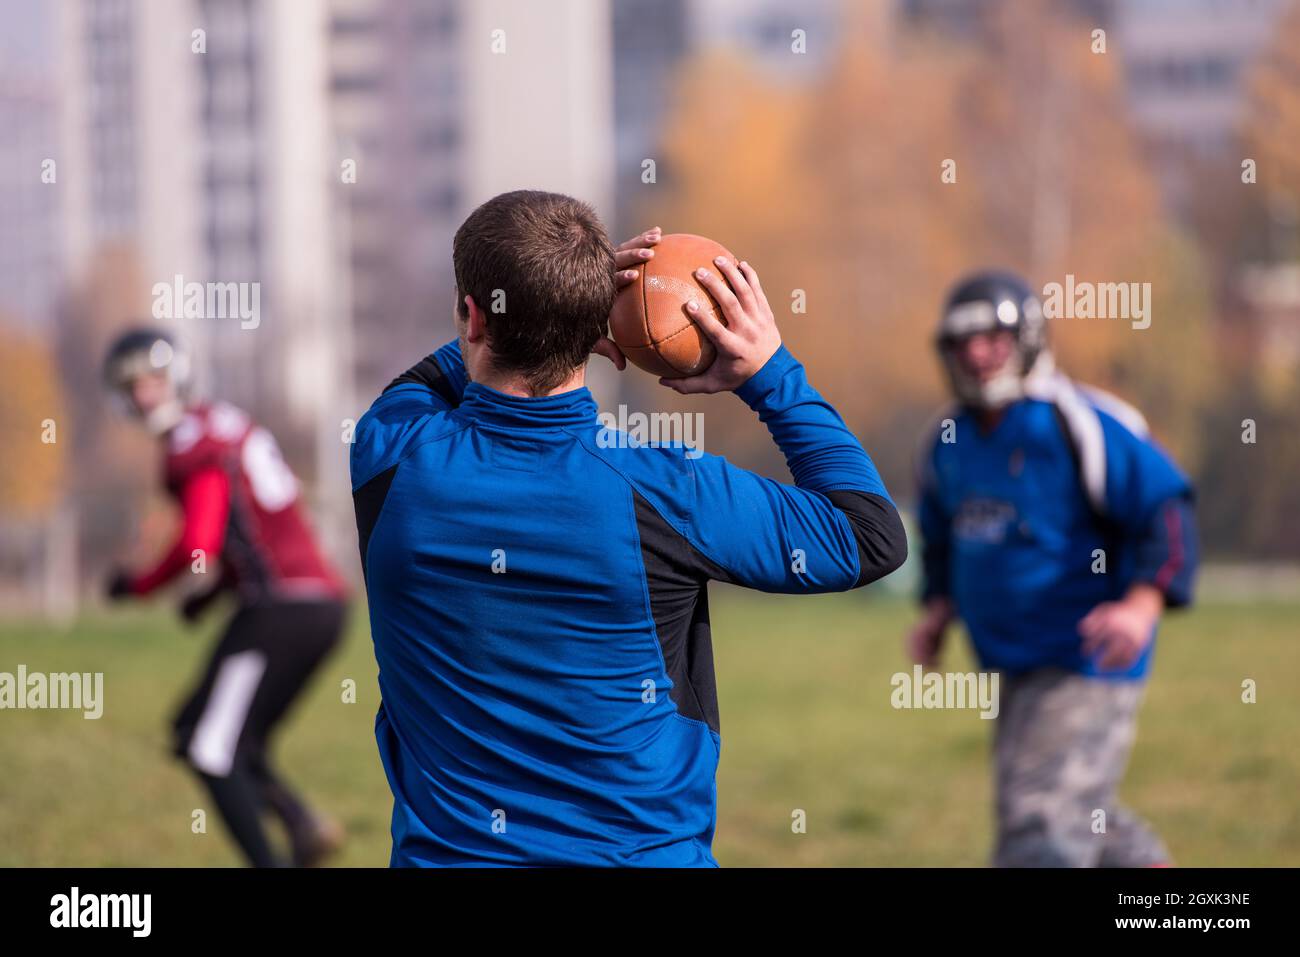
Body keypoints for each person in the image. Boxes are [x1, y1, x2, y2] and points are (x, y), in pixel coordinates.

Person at [351, 190, 907, 866]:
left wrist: (553, 302)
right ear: (596, 323)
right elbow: (870, 535)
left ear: (471, 317)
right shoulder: (666, 489)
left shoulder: (388, 454)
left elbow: (421, 381)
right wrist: (770, 375)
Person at [907, 271, 1198, 867]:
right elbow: (944, 537)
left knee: (1039, 819)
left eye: (993, 337)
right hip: (1015, 663)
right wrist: (938, 611)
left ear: (1029, 339)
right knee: (1080, 810)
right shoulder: (947, 439)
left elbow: (1165, 506)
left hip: (1084, 657)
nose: (977, 354)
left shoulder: (1077, 421)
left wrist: (1141, 607)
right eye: (963, 341)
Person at [103, 328, 349, 867]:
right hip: (312, 606)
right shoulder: (218, 423)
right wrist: (211, 593)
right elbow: (244, 537)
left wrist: (139, 584)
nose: (145, 393)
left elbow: (200, 542)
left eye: (153, 379)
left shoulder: (193, 443)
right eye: (133, 384)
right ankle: (300, 822)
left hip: (281, 609)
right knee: (218, 730)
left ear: (177, 377)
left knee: (209, 747)